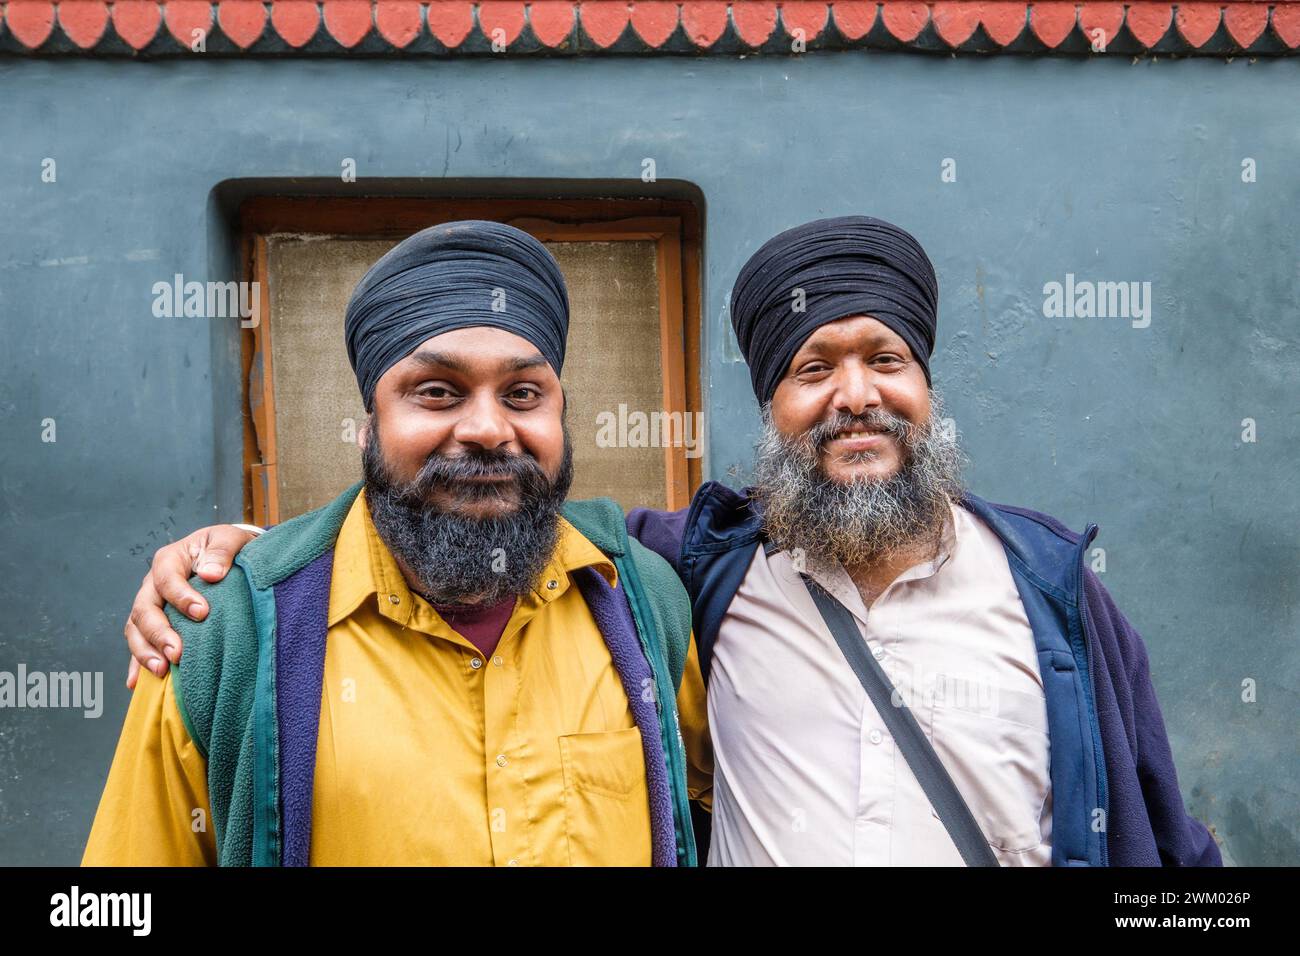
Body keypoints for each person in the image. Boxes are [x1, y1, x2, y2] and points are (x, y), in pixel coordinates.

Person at [120, 216, 1219, 867]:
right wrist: (247, 554)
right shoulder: (697, 574)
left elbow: (1168, 838)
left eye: (885, 358)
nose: (854, 398)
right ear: (770, 411)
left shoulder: (1053, 592)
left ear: (926, 386)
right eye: (810, 368)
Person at [85, 221, 710, 866]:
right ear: (368, 429)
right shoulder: (225, 634)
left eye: (523, 394)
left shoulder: (640, 601)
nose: (488, 429)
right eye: (437, 392)